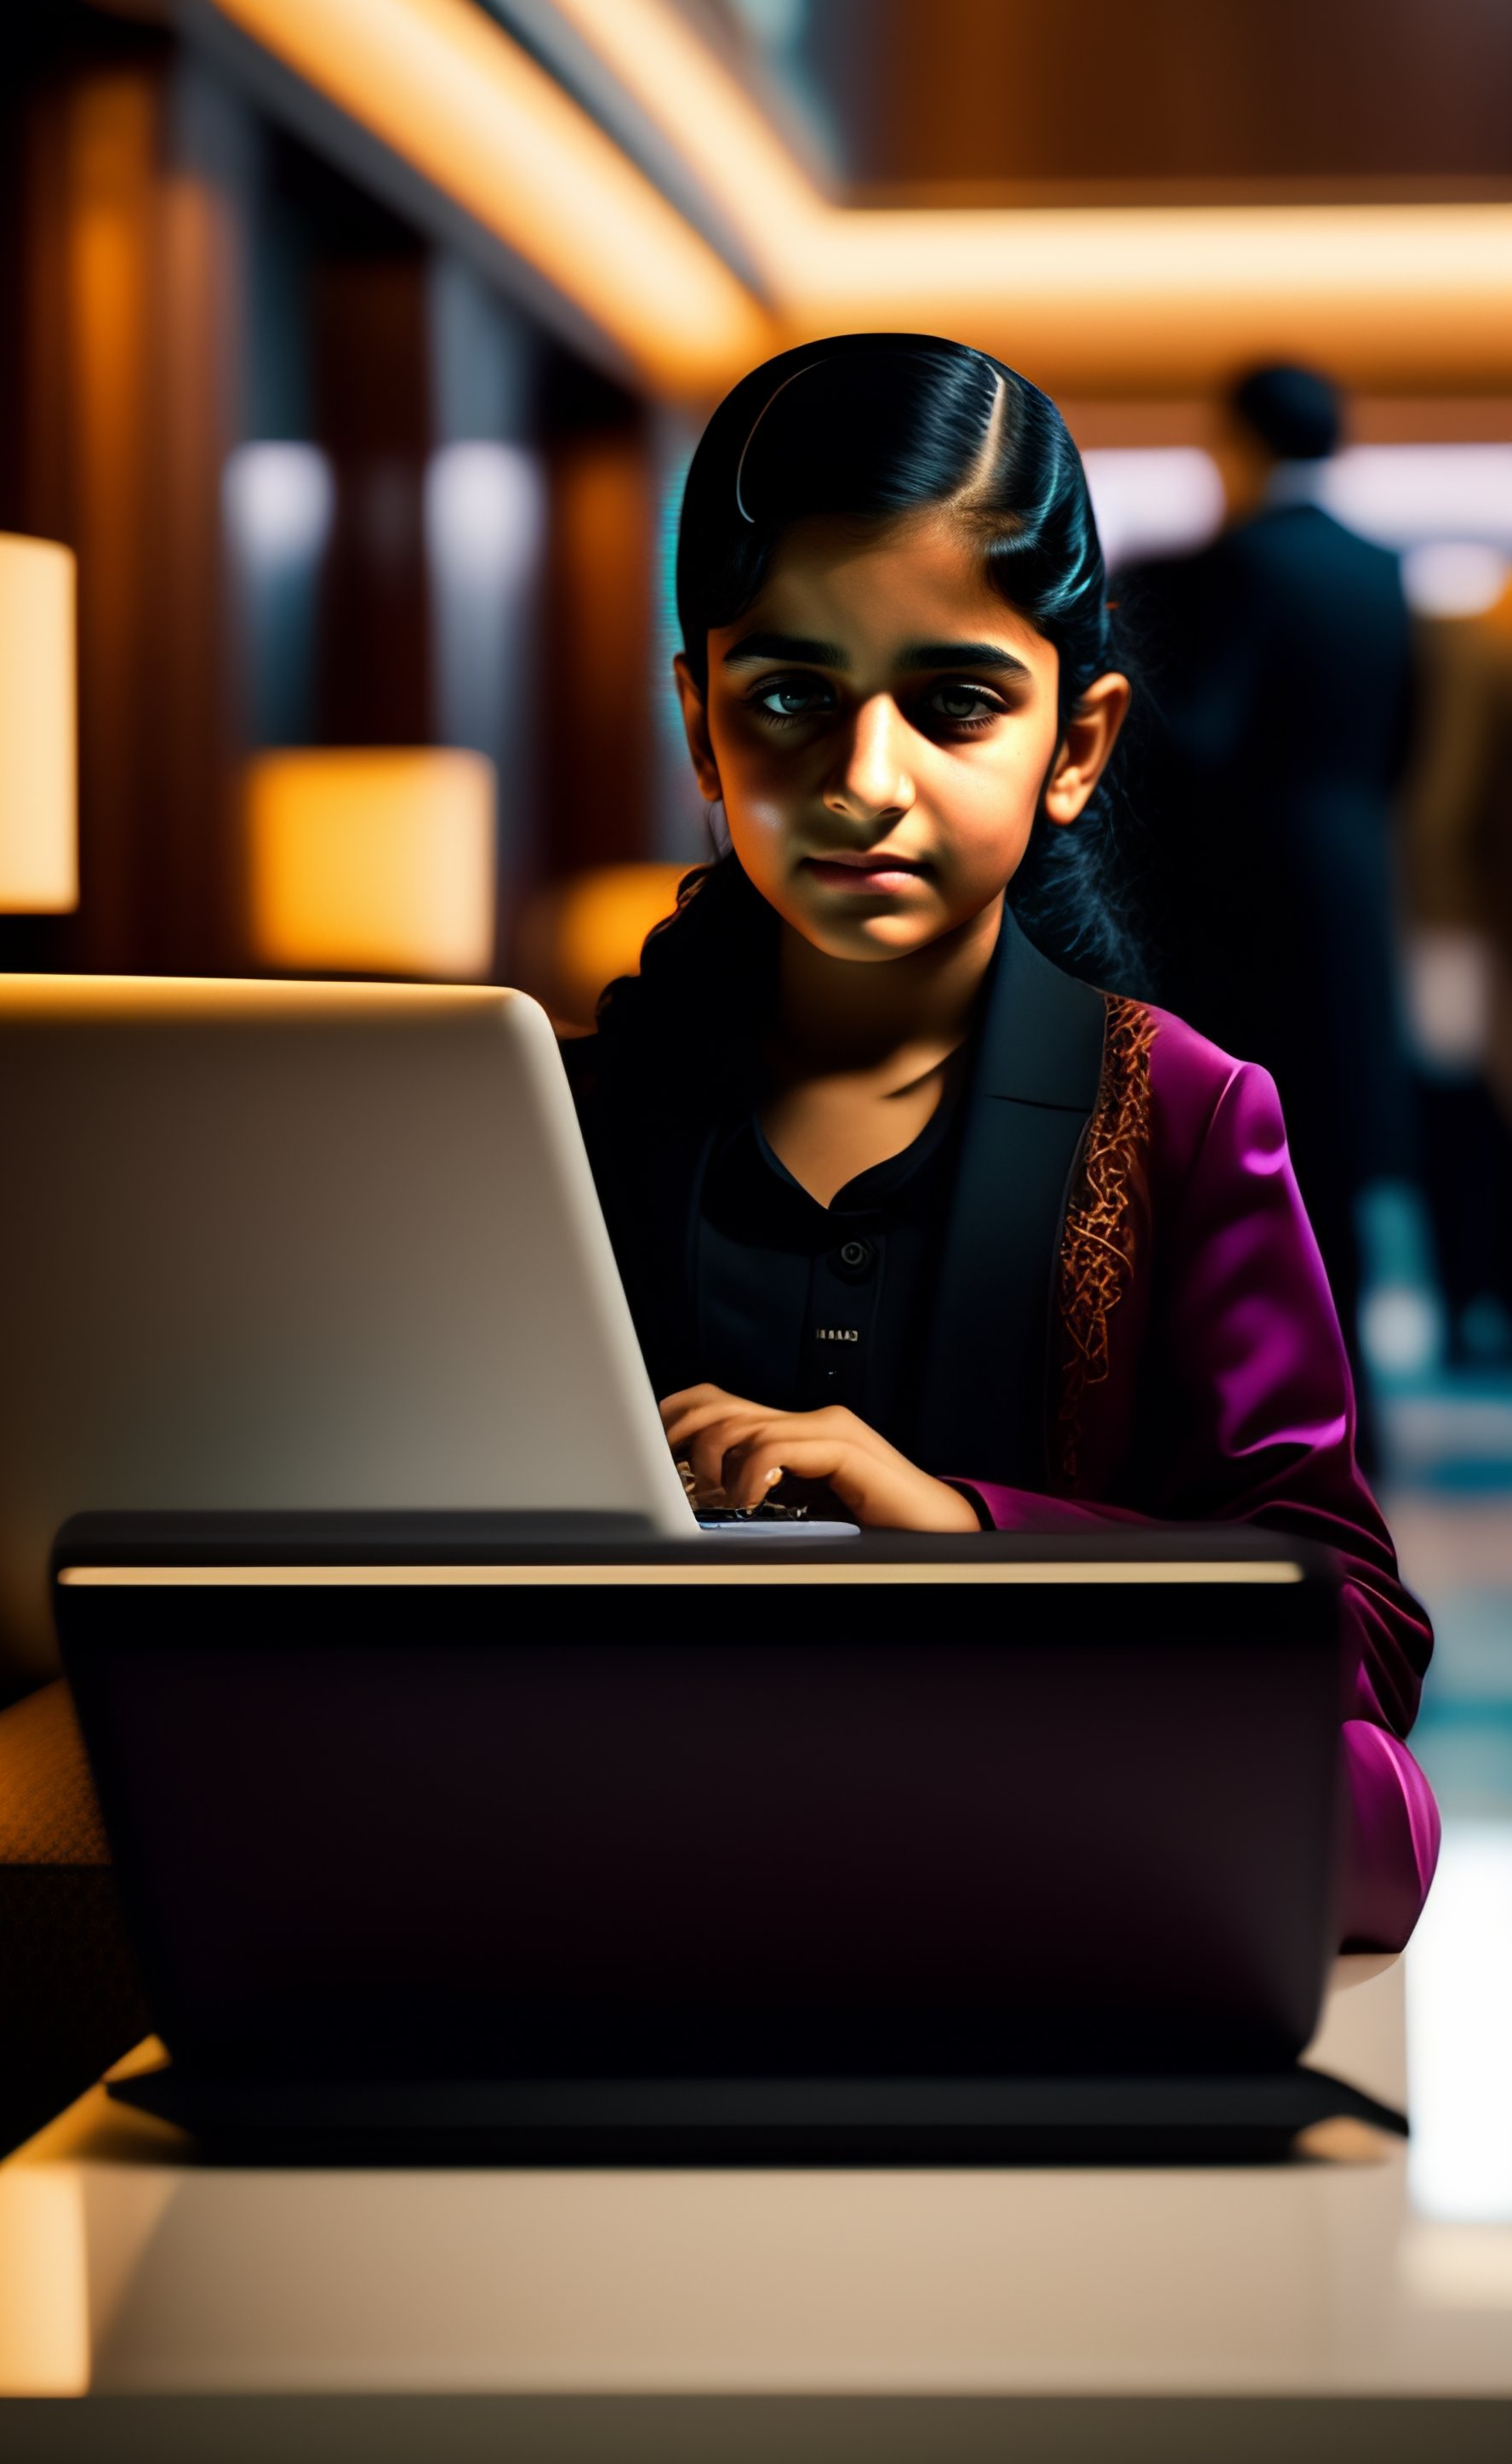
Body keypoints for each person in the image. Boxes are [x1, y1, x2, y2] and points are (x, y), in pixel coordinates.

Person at [562, 334, 1437, 1953]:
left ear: (1077, 744)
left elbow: (1357, 1643)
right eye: (787, 698)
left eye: (954, 703)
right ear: (698, 725)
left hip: (1024, 1900)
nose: (864, 781)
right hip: (641, 1884)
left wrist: (957, 1529)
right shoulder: (563, 1122)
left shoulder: (1183, 1115)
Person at [1124, 362, 1439, 1424]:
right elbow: (1402, 744)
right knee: (1339, 1160)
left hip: (1246, 899)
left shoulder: (1229, 566)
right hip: (1354, 882)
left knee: (1241, 1148)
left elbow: (1199, 740)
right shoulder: (1379, 571)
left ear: (1235, 441)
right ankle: (1358, 1421)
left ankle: (1256, 1417)